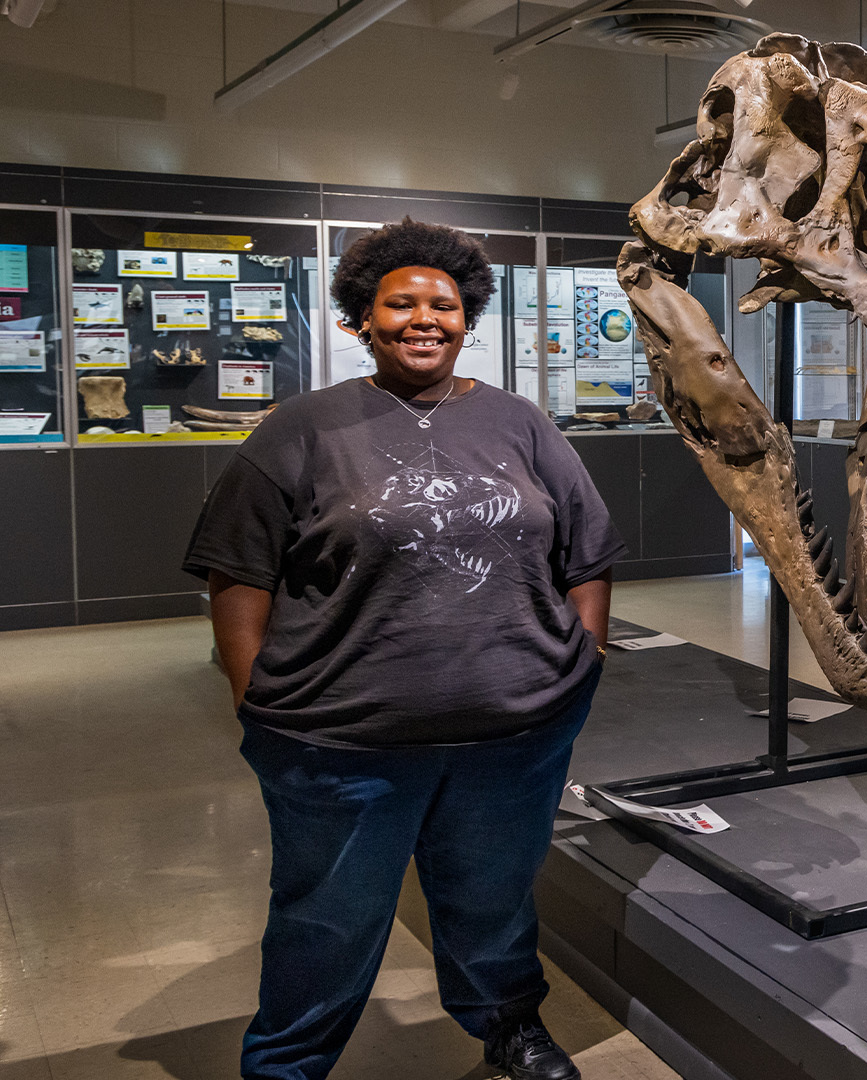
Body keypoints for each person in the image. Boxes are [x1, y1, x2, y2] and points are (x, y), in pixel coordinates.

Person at [183, 218, 624, 1080]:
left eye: (445, 305)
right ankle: (287, 1063)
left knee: (493, 900)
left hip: (514, 732)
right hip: (342, 740)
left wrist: (586, 654)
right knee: (327, 919)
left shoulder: (519, 423)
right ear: (361, 318)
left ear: (468, 319)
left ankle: (507, 1025)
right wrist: (255, 697)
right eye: (402, 303)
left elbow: (587, 549)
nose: (425, 319)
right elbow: (237, 573)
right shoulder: (301, 429)